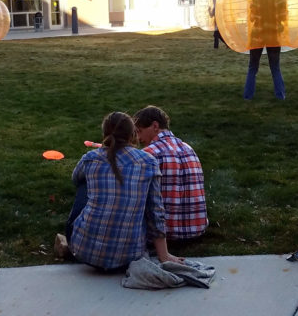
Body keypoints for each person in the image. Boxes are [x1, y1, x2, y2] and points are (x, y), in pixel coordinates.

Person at [58, 112, 184, 272]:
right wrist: (164, 255)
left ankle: (85, 234)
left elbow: (75, 179)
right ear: (133, 134)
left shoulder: (90, 158)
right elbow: (156, 211)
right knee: (146, 200)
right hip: (130, 256)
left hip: (85, 252)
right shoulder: (148, 162)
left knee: (84, 183)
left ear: (104, 133)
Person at [133, 106, 207, 240]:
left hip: (163, 236)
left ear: (155, 126)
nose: (138, 138)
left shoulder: (149, 153)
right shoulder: (189, 149)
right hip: (196, 230)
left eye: (139, 131)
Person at [245, 0, 288, 100]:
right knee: (275, 68)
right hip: (273, 36)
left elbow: (252, 18)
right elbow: (283, 18)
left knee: (253, 67)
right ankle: (280, 96)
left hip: (257, 35)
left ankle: (248, 96)